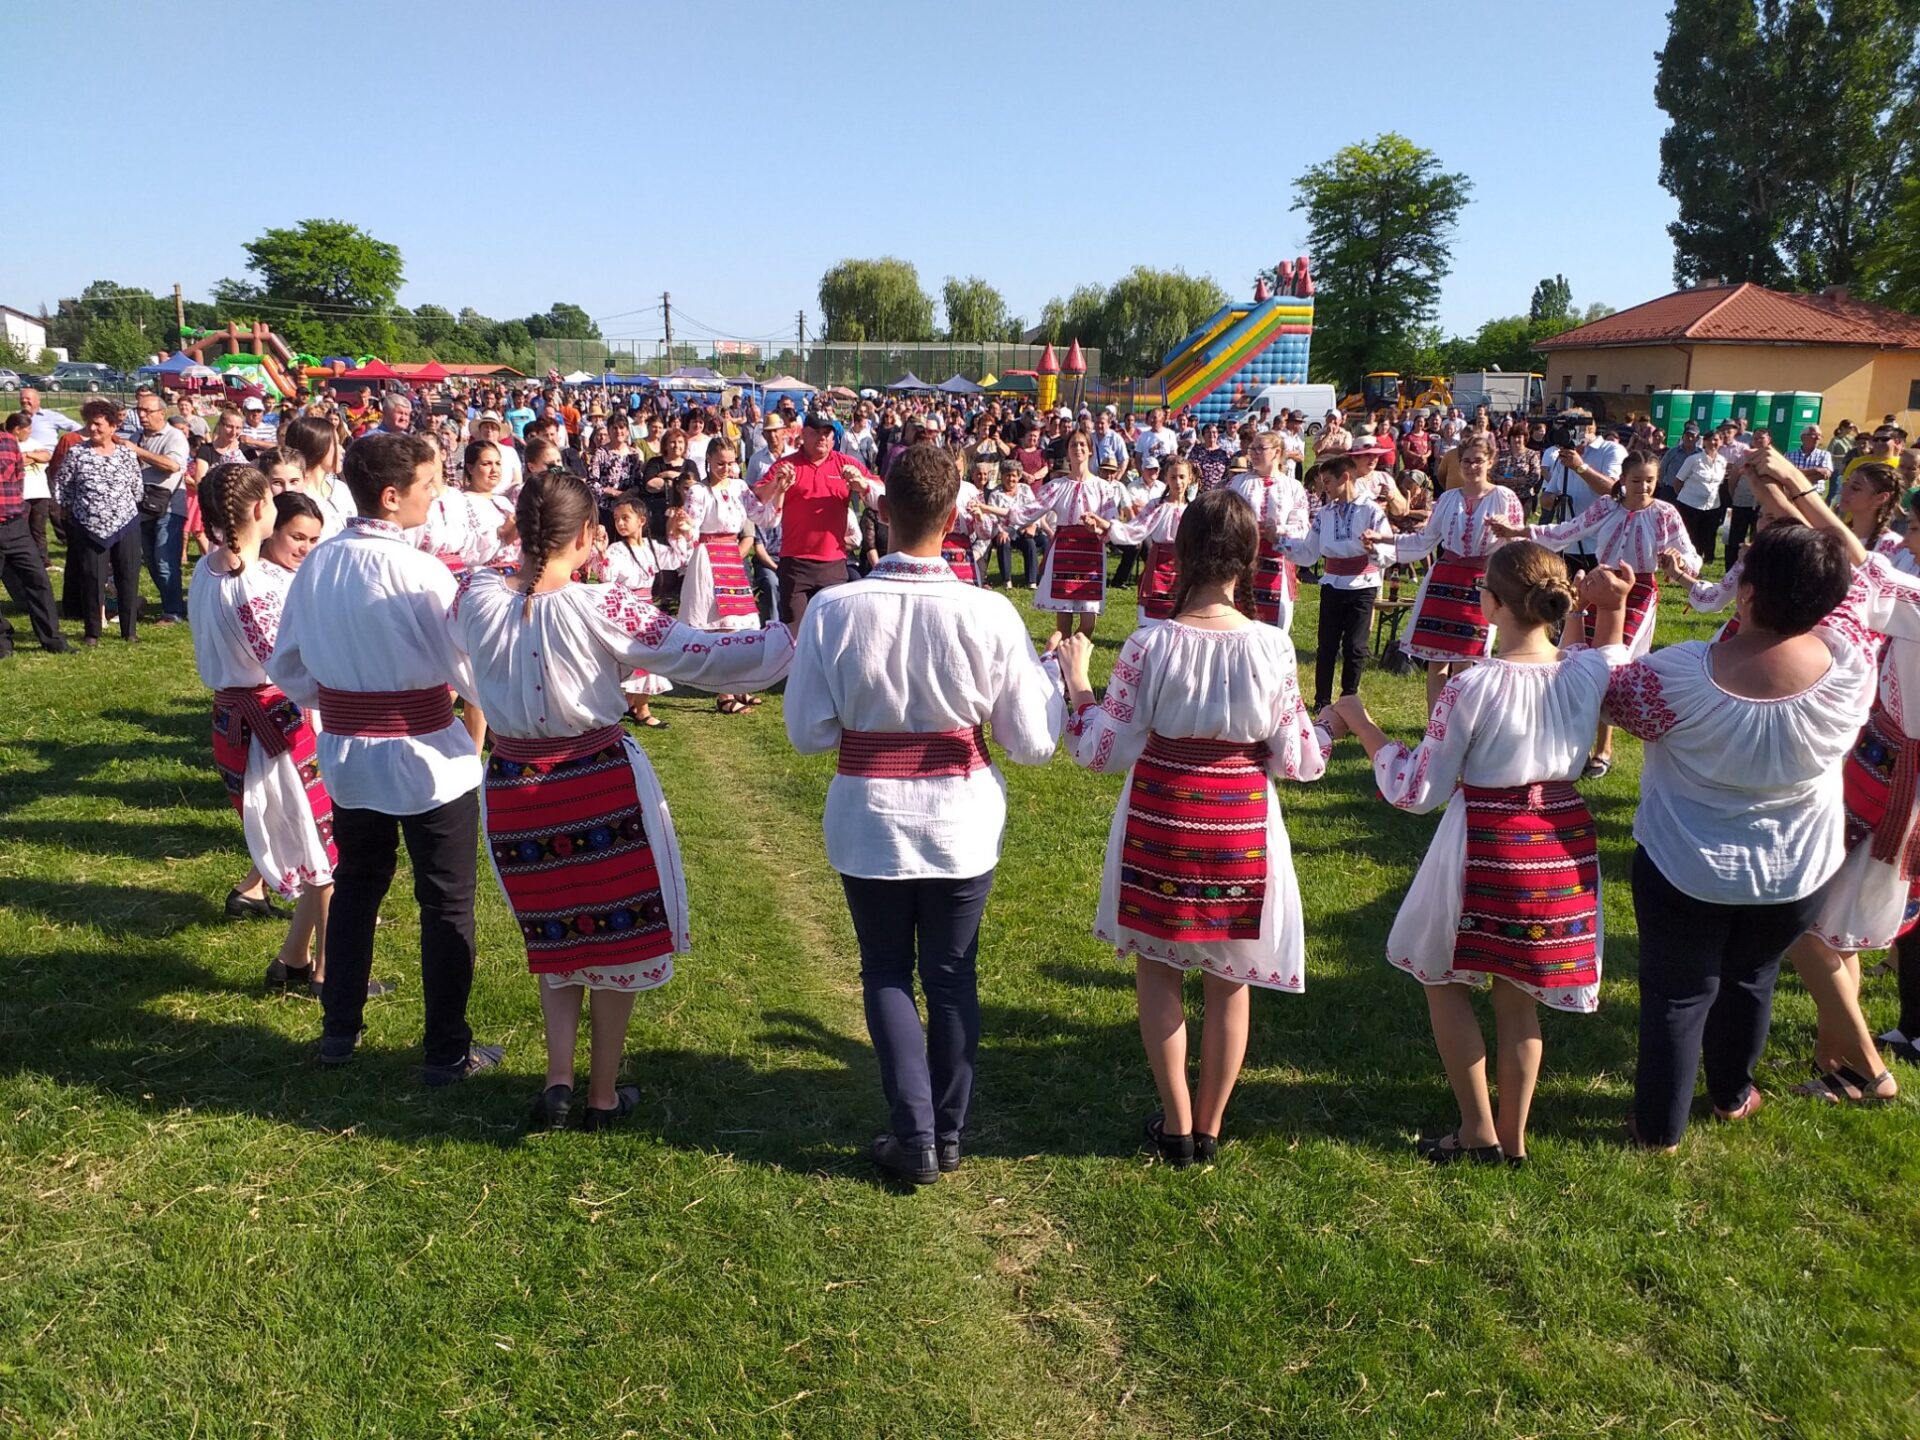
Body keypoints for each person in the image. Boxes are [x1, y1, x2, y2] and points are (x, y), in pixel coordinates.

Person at [447, 470, 793, 1130]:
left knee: (557, 934)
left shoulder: (475, 595)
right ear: (586, 535)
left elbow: (453, 653)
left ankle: (556, 1081)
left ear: (519, 527)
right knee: (614, 942)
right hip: (594, 781)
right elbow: (697, 653)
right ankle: (601, 1094)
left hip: (515, 789)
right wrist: (787, 640)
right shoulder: (598, 604)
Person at [1607, 452, 1919, 1150]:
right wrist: (1796, 488)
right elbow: (1860, 567)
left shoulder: (1677, 675)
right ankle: (1731, 1094)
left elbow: (1610, 694)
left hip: (1685, 864)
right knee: (1752, 978)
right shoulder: (1851, 663)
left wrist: (1606, 617)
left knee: (1679, 993)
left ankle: (1659, 1126)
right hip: (1795, 871)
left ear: (1744, 596)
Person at [784, 443, 1066, 1184]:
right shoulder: (988, 612)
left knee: (885, 969)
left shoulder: (835, 609)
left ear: (880, 510)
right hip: (958, 820)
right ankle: (943, 1133)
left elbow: (806, 731)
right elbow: (1033, 743)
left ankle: (916, 1134)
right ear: (953, 516)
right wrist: (1061, 681)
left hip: (869, 815)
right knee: (949, 976)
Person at [1324, 545, 1630, 1165]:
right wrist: (1615, 609)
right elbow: (1610, 657)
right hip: (1561, 839)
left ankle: (1477, 1129)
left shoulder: (1474, 685)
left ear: (1489, 604)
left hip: (1488, 839)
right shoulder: (1584, 670)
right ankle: (1511, 1141)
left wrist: (1361, 723)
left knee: (1442, 980)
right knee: (1516, 996)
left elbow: (1416, 788)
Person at [1058, 488, 1332, 1166]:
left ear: (1181, 554)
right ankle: (1207, 1128)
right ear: (1251, 558)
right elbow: (1298, 758)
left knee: (1159, 968)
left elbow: (1103, 750)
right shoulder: (1272, 646)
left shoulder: (1151, 644)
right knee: (1230, 977)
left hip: (1164, 811)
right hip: (1240, 816)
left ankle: (1178, 1124)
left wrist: (1077, 685)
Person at [268, 433, 501, 1086]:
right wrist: (508, 710)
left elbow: (285, 661)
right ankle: (446, 1053)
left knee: (358, 891)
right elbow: (467, 666)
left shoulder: (318, 564)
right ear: (392, 496)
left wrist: (341, 703)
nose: (439, 493)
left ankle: (339, 1032)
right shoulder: (420, 571)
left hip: (348, 757)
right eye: (430, 483)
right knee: (447, 904)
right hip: (428, 761)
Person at [188, 462, 341, 998]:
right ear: (259, 511)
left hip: (237, 720)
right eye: (273, 496)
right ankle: (331, 975)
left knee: (310, 843)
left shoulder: (210, 568)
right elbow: (284, 662)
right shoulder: (249, 582)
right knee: (323, 850)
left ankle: (294, 960)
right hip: (272, 722)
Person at [1493, 448, 1699, 778]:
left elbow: (1690, 555)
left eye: (1649, 481)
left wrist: (1678, 563)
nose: (1643, 488)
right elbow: (1566, 531)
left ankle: (1603, 749)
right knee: (1577, 657)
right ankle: (1573, 743)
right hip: (1598, 581)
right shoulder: (1607, 506)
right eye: (1636, 481)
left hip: (1638, 589)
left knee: (1611, 665)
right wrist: (1519, 531)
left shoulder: (1664, 513)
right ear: (1623, 480)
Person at [1375, 434, 1526, 712]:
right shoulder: (1448, 499)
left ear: (1490, 462)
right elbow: (1424, 540)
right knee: (1436, 659)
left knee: (1466, 660)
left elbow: (1518, 545)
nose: (1471, 467)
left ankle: (1461, 724)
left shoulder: (1504, 497)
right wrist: (1383, 539)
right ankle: (1435, 725)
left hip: (1482, 584)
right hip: (1444, 581)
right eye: (1466, 461)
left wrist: (1507, 530)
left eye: (1478, 461)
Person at [1280, 455, 1394, 712]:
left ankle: (1348, 700)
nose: (1325, 488)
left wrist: (1373, 548)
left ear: (1345, 478)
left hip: (1362, 584)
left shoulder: (1371, 511)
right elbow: (1309, 552)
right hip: (1332, 583)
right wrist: (1279, 543)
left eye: (1328, 482)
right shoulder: (1324, 514)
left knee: (1355, 646)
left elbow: (1389, 554)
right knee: (1327, 644)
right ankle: (1322, 701)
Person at [750, 411, 878, 625]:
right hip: (794, 564)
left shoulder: (845, 464)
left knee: (830, 636)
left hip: (833, 564)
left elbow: (881, 493)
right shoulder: (787, 465)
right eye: (816, 432)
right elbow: (757, 498)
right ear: (803, 434)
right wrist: (777, 485)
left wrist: (863, 486)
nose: (822, 438)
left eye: (827, 433)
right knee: (795, 638)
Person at [1006, 431, 1127, 640]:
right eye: (1073, 445)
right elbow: (1027, 512)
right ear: (1068, 451)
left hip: (1091, 556)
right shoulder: (1057, 486)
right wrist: (989, 509)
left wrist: (1097, 527)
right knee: (1063, 627)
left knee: (1088, 624)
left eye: (1082, 445)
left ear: (1090, 451)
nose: (1078, 448)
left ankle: (1067, 658)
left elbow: (1112, 523)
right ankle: (1061, 663)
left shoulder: (1103, 488)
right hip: (1064, 553)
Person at [680, 438, 764, 715]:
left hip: (731, 554)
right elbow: (691, 525)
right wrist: (682, 527)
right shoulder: (699, 491)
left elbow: (760, 513)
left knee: (739, 623)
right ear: (708, 460)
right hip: (709, 556)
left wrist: (777, 491)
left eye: (730, 463)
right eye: (720, 463)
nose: (726, 468)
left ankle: (739, 683)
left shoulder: (739, 487)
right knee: (720, 626)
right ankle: (723, 691)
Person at [55, 399, 145, 647]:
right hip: (89, 527)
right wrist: (75, 513)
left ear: (113, 426)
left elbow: (137, 489)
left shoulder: (127, 454)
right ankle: (92, 632)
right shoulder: (77, 453)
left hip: (126, 524)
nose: (92, 429)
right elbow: (64, 486)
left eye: (98, 424)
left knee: (128, 577)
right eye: (89, 424)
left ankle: (129, 631)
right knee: (92, 579)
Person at [600, 494, 691, 729]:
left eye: (625, 518)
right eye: (617, 519)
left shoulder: (652, 547)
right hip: (625, 610)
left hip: (646, 608)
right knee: (629, 659)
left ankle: (639, 706)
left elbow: (678, 559)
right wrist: (602, 555)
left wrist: (678, 532)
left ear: (641, 520)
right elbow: (607, 578)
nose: (620, 523)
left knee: (649, 658)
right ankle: (632, 704)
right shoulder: (616, 550)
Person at [1223, 431, 1311, 633]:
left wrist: (1278, 531)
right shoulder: (1237, 484)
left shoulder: (1293, 487)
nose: (1252, 453)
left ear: (1277, 452)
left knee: (1276, 624)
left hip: (1278, 559)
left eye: (1260, 449)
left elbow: (1302, 527)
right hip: (1243, 559)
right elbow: (1225, 519)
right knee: (1237, 621)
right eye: (1251, 448)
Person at [0, 413, 68, 657]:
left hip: (15, 525)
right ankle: (2, 641)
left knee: (39, 581)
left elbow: (18, 475)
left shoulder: (8, 441)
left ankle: (52, 638)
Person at [1105, 456, 1196, 626]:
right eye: (1173, 477)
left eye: (1182, 477)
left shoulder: (1194, 509)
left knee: (1181, 618)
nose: (1178, 482)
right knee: (1152, 620)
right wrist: (1107, 526)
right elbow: (1134, 529)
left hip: (1184, 565)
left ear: (1190, 478)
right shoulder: (1156, 505)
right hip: (1158, 566)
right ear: (1166, 479)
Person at [127, 391, 194, 624]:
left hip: (169, 507)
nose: (142, 415)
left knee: (165, 560)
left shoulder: (174, 436)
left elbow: (173, 465)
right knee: (153, 561)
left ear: (162, 413)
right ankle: (171, 603)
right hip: (142, 506)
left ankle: (174, 612)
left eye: (148, 411)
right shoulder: (135, 436)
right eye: (139, 411)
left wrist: (138, 452)